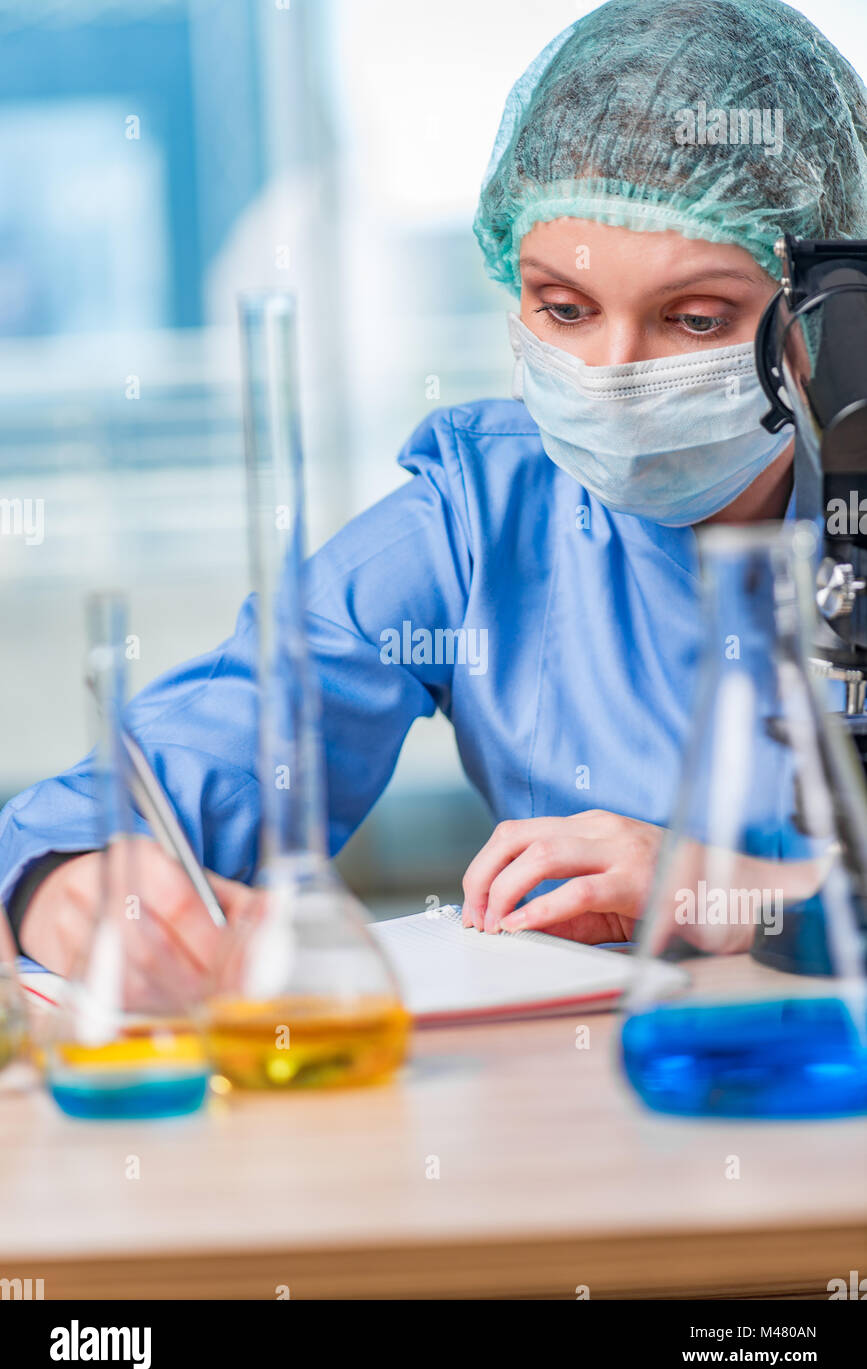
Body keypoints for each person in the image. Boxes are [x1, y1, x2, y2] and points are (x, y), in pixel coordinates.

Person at [2, 0, 867, 978]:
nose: (615, 372)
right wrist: (70, 881)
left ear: (826, 307)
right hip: (588, 1111)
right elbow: (229, 741)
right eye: (566, 306)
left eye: (697, 318)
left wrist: (732, 889)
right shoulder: (484, 513)